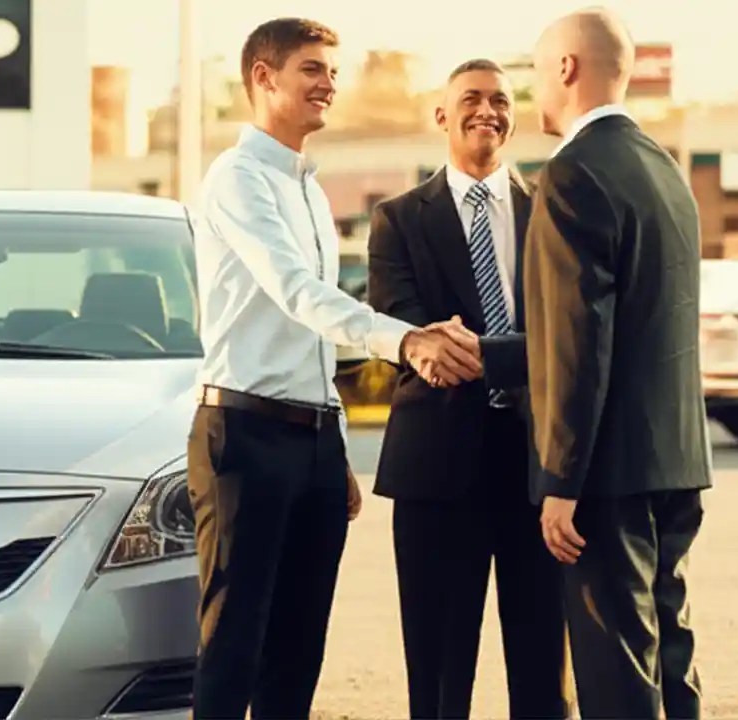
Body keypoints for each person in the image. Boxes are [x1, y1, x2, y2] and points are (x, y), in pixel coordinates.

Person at [188, 17, 482, 720]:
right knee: (235, 645)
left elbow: (313, 333)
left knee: (300, 648)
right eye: (312, 70)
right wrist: (410, 341)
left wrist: (333, 441)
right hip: (244, 436)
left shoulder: (310, 189)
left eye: (332, 72)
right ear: (264, 77)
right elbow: (298, 294)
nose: (329, 85)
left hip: (311, 440)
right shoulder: (236, 179)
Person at [366, 59, 572, 720]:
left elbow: (569, 341)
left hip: (538, 470)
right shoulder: (397, 220)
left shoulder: (551, 213)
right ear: (441, 116)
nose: (488, 111)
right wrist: (509, 355)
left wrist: (483, 353)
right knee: (437, 677)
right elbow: (408, 334)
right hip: (436, 476)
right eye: (471, 99)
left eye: (501, 100)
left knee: (544, 674)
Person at [525, 7, 712, 719]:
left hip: (605, 474)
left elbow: (583, 339)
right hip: (674, 460)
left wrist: (561, 480)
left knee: (617, 672)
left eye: (537, 72)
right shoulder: (664, 170)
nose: (534, 90)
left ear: (567, 68)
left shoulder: (573, 173)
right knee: (670, 651)